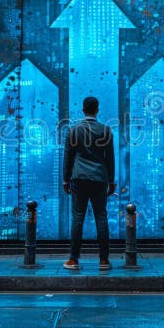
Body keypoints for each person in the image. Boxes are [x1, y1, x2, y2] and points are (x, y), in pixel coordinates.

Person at [62, 96, 116, 270]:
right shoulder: (106, 130)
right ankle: (104, 260)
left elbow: (68, 157)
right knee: (101, 217)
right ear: (97, 109)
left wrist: (65, 179)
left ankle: (74, 260)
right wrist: (112, 180)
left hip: (79, 178)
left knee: (78, 218)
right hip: (100, 178)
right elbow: (110, 159)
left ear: (83, 109)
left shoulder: (73, 130)